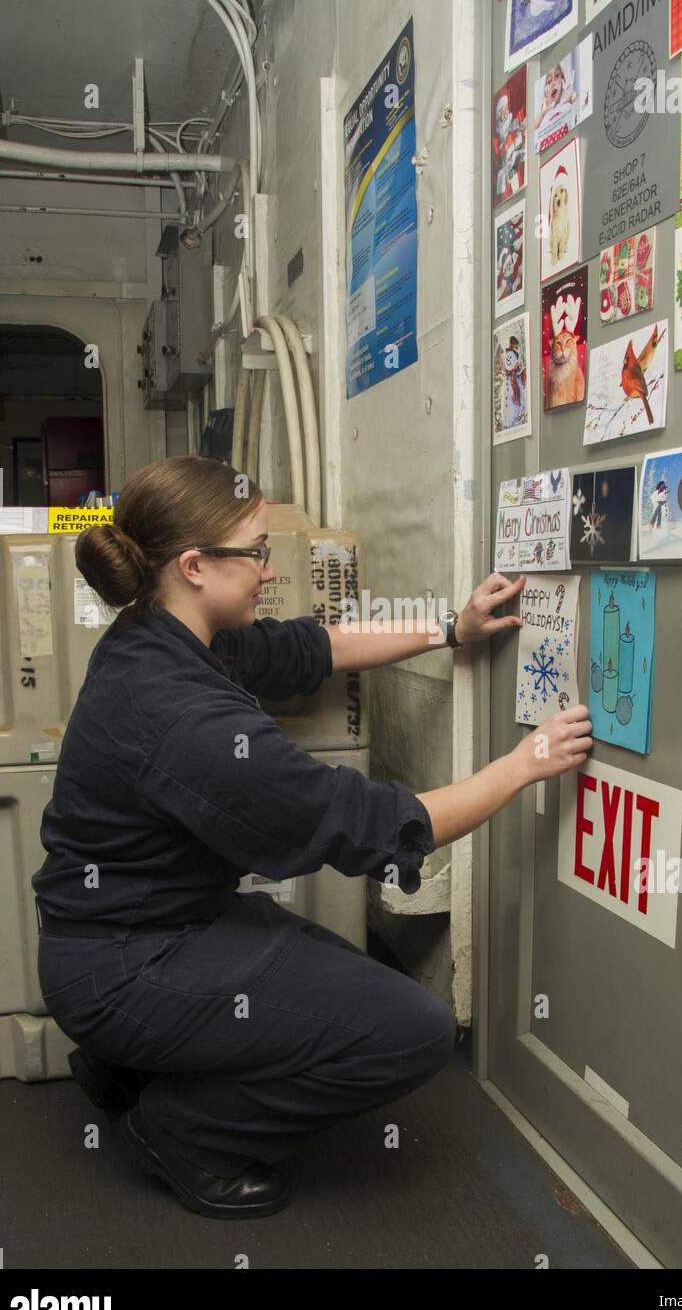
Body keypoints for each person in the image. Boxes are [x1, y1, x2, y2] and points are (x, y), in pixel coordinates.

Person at [33, 455, 593, 1219]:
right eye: (256, 551)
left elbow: (310, 648)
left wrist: (448, 629)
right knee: (413, 1030)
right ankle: (182, 1130)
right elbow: (388, 826)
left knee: (337, 978)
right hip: (126, 961)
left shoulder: (162, 632)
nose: (267, 568)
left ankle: (129, 1066)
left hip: (142, 926)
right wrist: (526, 763)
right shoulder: (184, 716)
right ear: (194, 566)